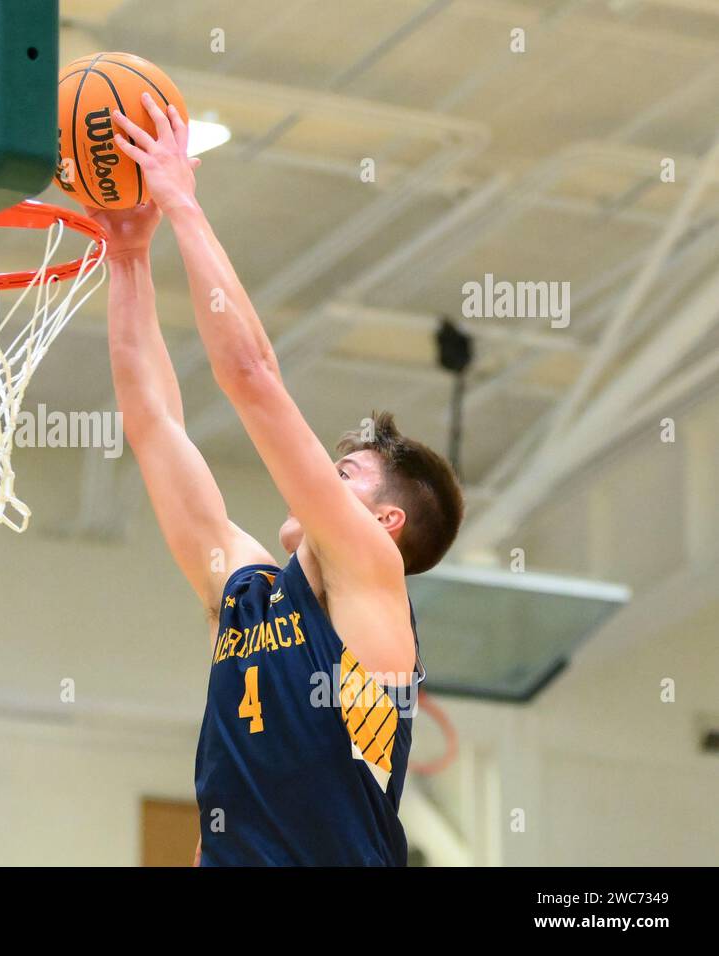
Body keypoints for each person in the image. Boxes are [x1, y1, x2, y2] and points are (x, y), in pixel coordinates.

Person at [89, 93, 465, 866]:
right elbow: (154, 425)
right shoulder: (246, 592)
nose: (322, 477)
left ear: (385, 524)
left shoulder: (371, 583)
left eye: (347, 471)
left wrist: (183, 204)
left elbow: (253, 375)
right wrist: (127, 254)